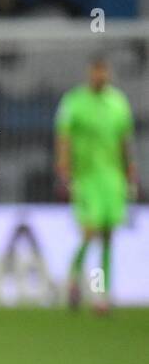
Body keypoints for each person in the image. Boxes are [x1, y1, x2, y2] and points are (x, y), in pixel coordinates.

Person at [55, 56, 138, 315]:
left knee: (108, 236)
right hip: (86, 177)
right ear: (90, 73)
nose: (100, 76)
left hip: (112, 178)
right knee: (90, 231)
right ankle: (74, 278)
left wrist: (130, 170)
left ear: (108, 74)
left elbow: (125, 140)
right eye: (96, 72)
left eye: (104, 72)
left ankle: (101, 293)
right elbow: (64, 137)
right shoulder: (74, 102)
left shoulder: (119, 102)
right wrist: (64, 170)